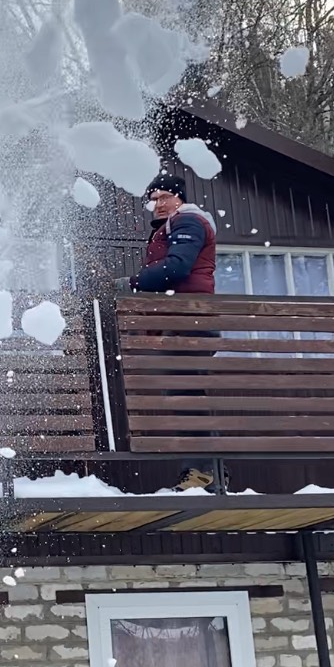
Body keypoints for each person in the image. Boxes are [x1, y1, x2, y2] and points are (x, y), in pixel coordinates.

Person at [122, 173, 223, 492]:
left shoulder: (188, 222)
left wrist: (132, 283)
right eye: (154, 199)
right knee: (186, 394)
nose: (159, 204)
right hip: (182, 320)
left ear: (180, 198)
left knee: (186, 394)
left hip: (189, 320)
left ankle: (204, 472)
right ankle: (206, 472)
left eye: (165, 197)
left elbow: (176, 269)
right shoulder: (174, 226)